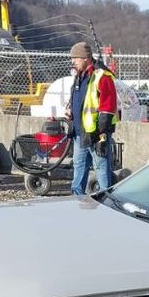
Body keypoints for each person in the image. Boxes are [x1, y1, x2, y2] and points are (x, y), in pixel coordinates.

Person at [65, 41, 117, 195]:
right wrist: (70, 112)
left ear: (85, 58)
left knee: (101, 169)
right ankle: (77, 198)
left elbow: (107, 109)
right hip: (80, 133)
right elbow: (80, 102)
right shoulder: (79, 77)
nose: (72, 62)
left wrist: (101, 136)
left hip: (96, 134)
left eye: (75, 58)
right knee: (79, 166)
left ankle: (106, 199)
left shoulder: (102, 76)